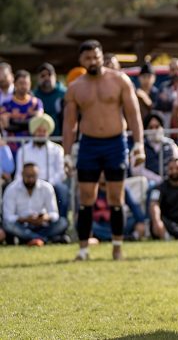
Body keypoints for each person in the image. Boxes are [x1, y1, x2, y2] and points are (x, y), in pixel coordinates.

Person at [63, 39, 145, 261]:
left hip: (115, 143)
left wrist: (139, 144)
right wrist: (67, 154)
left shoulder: (119, 80)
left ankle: (117, 247)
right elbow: (69, 124)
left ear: (101, 56)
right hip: (89, 144)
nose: (92, 61)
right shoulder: (75, 87)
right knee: (86, 197)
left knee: (116, 197)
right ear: (81, 60)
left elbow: (133, 114)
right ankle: (83, 249)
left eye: (95, 57)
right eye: (87, 58)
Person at [15, 114, 68, 219]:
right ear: (33, 132)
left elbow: (61, 173)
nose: (41, 134)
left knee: (62, 189)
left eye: (44, 131)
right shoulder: (23, 150)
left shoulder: (57, 149)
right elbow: (19, 173)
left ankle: (60, 225)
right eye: (38, 131)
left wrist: (47, 185)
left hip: (51, 184)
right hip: (28, 184)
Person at [2, 163, 68, 246]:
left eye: (33, 176)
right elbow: (8, 217)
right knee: (7, 225)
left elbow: (54, 214)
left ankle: (29, 239)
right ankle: (43, 239)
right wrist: (26, 219)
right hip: (22, 226)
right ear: (22, 175)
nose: (30, 179)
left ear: (38, 175)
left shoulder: (46, 187)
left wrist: (45, 217)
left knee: (62, 222)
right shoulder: (12, 189)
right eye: (28, 176)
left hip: (42, 226)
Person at [92, 173, 146, 241]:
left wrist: (140, 221)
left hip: (119, 224)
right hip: (100, 225)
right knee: (88, 224)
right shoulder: (91, 189)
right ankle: (124, 237)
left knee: (134, 220)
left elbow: (134, 207)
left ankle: (106, 238)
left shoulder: (121, 188)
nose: (103, 175)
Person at [132, 113, 178, 187]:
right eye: (151, 127)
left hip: (170, 182)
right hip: (149, 184)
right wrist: (156, 179)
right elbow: (136, 171)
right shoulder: (140, 147)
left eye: (157, 126)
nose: (154, 130)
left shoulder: (170, 144)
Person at [0, 70, 44, 148]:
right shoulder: (6, 104)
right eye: (21, 83)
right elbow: (5, 125)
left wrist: (13, 120)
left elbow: (38, 122)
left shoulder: (36, 103)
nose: (24, 86)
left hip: (32, 146)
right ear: (15, 84)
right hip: (11, 146)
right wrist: (28, 121)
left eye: (26, 83)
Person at [33, 63, 67, 136]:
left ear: (55, 76)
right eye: (43, 76)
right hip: (40, 138)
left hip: (60, 137)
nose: (46, 78)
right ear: (38, 78)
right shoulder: (33, 96)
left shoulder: (64, 94)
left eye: (49, 75)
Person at [154, 58, 178, 128]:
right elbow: (158, 106)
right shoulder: (164, 87)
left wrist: (169, 101)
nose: (175, 72)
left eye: (177, 69)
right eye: (172, 69)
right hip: (168, 126)